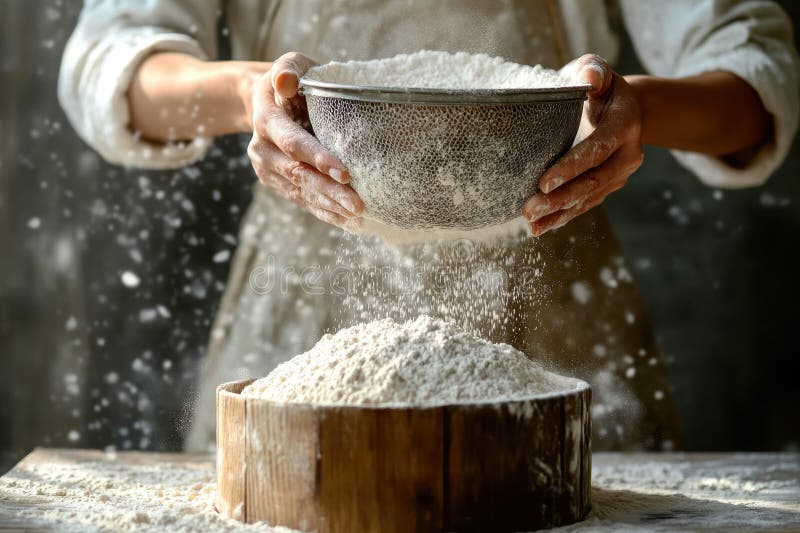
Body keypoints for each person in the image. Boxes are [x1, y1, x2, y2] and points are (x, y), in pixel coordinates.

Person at [59, 0, 798, 451]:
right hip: (306, 304)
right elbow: (113, 63)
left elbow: (759, 80)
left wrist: (635, 108)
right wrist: (251, 92)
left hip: (554, 292)